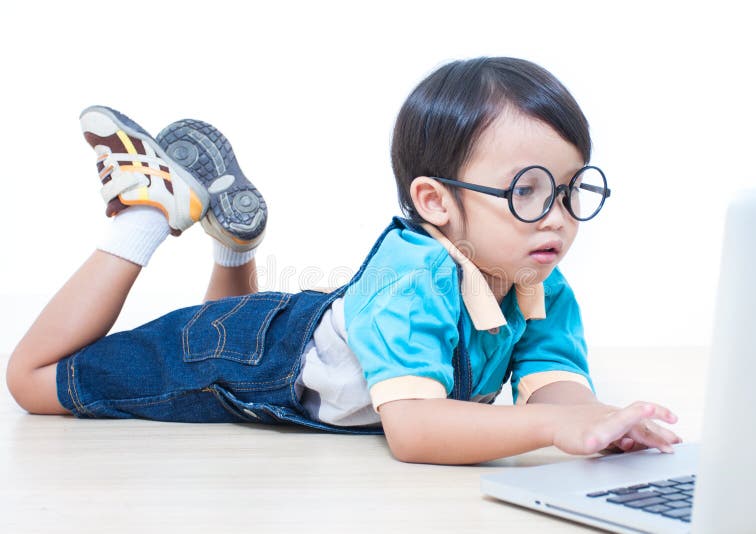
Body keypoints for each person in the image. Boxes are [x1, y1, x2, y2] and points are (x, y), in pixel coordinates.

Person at [5, 57, 681, 465]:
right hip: (256, 358)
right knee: (32, 381)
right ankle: (149, 211)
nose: (559, 217)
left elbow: (554, 386)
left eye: (571, 190)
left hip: (286, 331)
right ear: (435, 202)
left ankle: (234, 243)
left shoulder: (540, 281)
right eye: (527, 191)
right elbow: (415, 430)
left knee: (228, 327)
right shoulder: (414, 276)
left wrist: (599, 423)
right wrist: (553, 427)